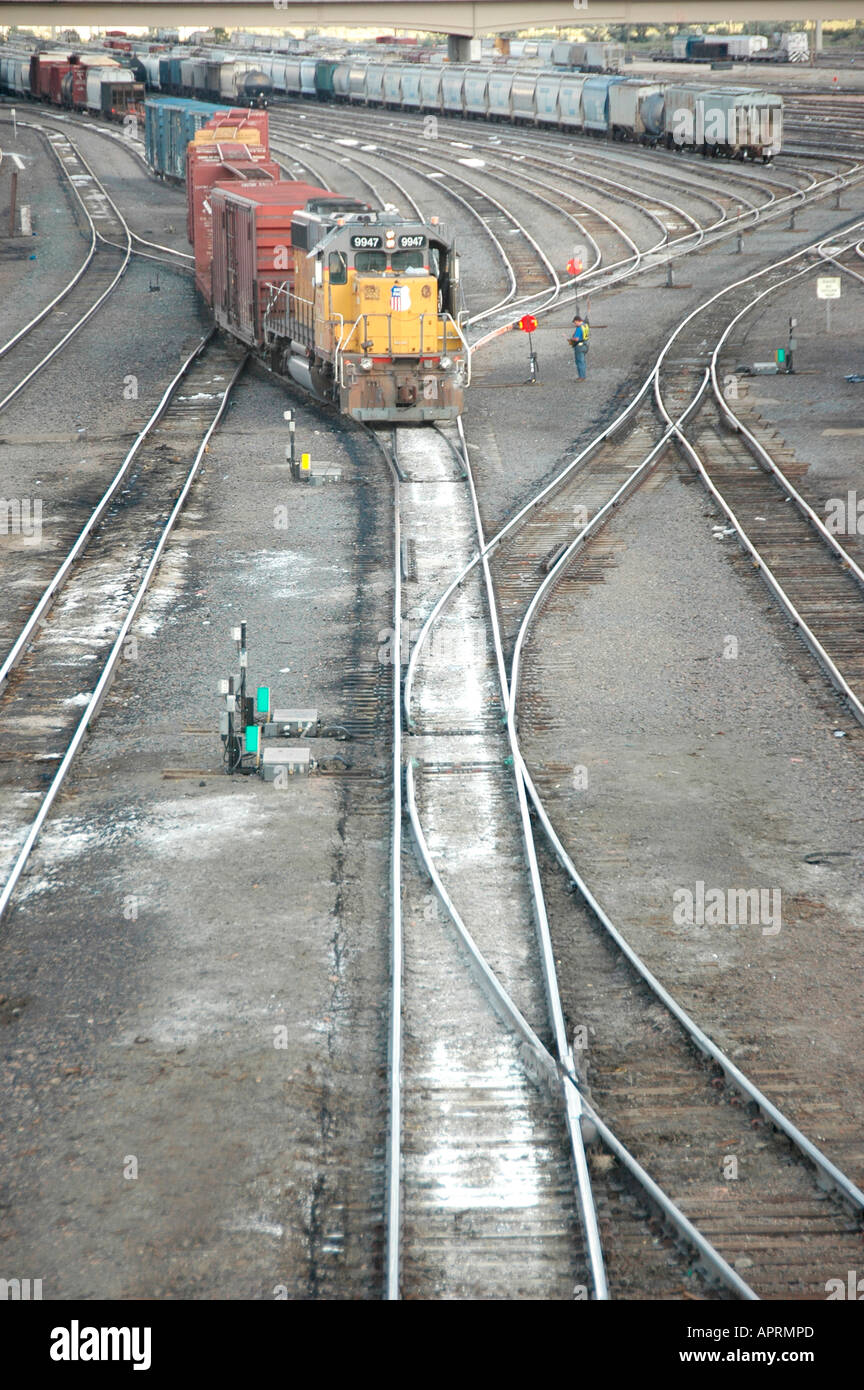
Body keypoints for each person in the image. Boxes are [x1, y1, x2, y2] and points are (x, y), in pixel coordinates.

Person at [569, 315, 590, 380]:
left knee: (579, 362)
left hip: (579, 346)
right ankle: (583, 375)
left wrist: (571, 339)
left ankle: (581, 377)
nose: (575, 324)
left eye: (575, 322)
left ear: (578, 321)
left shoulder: (579, 328)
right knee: (583, 361)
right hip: (586, 345)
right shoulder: (585, 325)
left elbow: (576, 339)